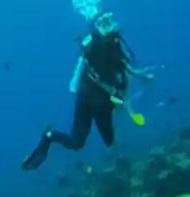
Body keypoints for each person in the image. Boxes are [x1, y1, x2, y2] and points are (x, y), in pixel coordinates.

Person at [21, 11, 154, 171]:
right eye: (103, 22)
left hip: (107, 101)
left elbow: (126, 68)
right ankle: (50, 136)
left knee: (110, 139)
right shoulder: (93, 46)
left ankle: (118, 164)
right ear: (95, 27)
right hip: (87, 100)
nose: (108, 25)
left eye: (110, 20)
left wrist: (142, 75)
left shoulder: (116, 43)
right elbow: (85, 59)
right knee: (77, 142)